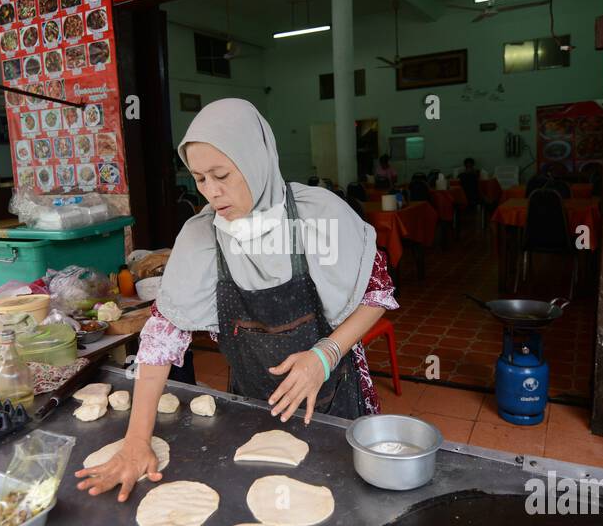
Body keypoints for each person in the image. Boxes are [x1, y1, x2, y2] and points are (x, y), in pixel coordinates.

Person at [77, 98, 398, 501]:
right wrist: (136, 441)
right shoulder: (200, 238)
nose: (212, 192)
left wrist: (326, 354)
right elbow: (160, 339)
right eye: (199, 179)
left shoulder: (318, 216)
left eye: (222, 175)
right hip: (251, 401)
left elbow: (377, 295)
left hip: (333, 396)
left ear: (256, 159)